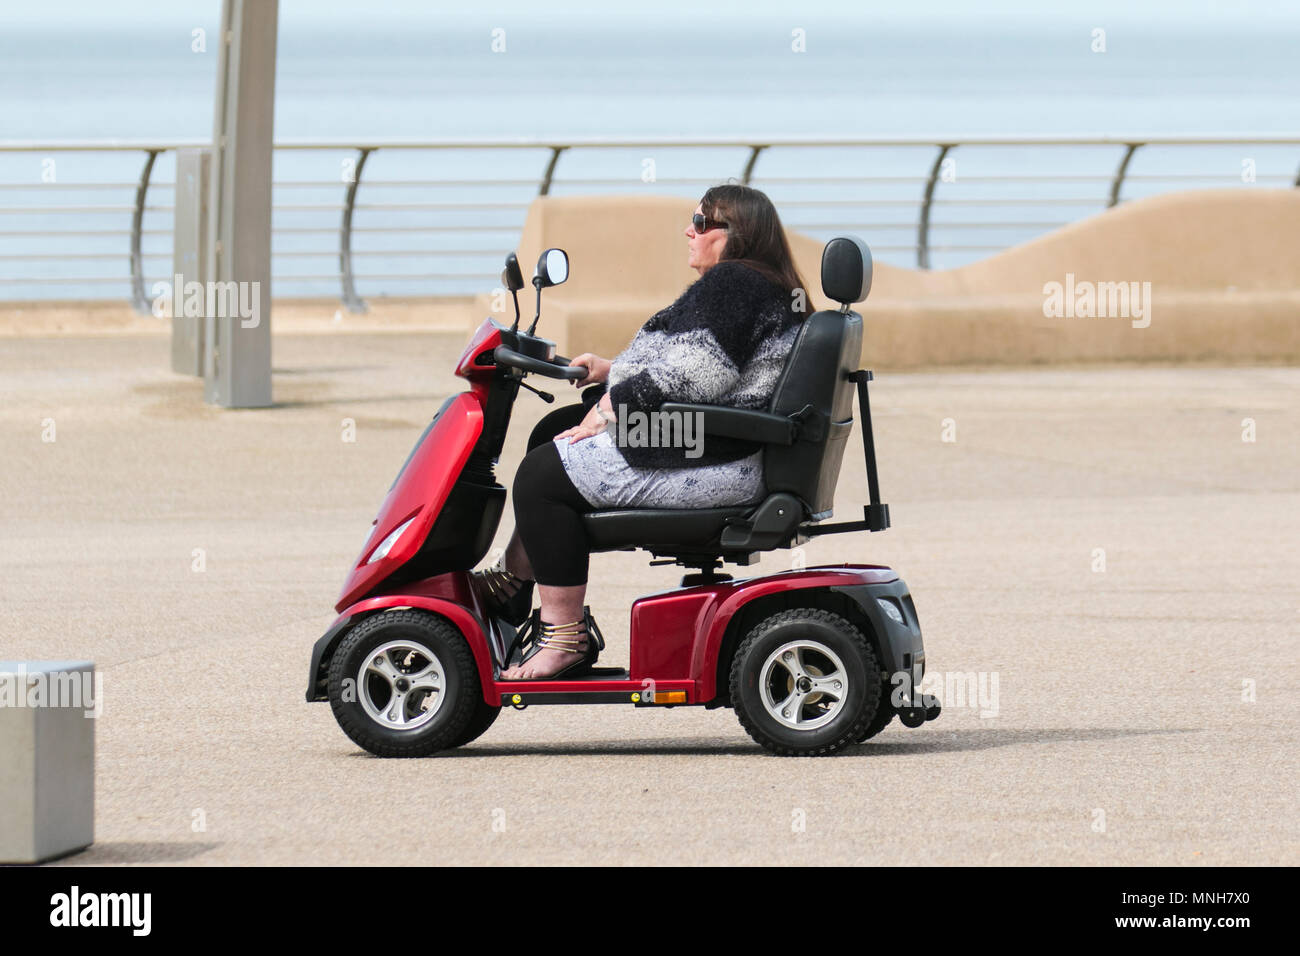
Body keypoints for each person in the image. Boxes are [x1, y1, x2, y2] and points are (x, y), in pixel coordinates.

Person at [473, 183, 808, 679]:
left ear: (732, 235)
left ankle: (564, 636)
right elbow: (691, 359)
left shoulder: (738, 284)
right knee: (552, 433)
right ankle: (516, 583)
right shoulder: (754, 284)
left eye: (699, 223)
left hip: (719, 452)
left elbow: (698, 375)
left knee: (542, 476)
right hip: (722, 438)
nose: (688, 231)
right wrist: (612, 371)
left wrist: (611, 408)